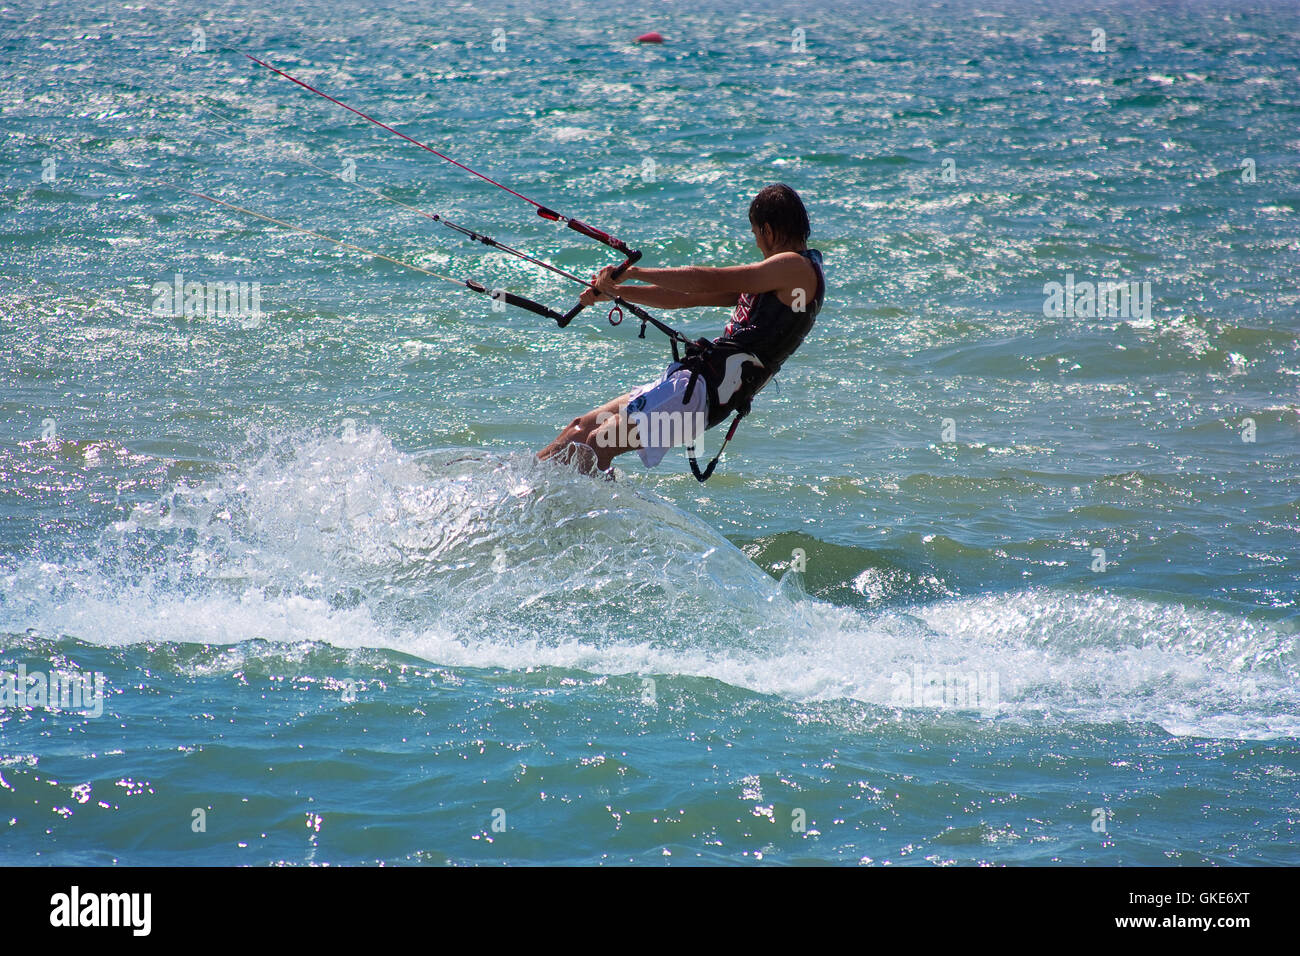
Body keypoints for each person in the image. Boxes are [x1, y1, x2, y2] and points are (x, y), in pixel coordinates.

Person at [536, 183, 825, 477]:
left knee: (600, 442)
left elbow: (706, 280)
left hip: (704, 397)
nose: (757, 245)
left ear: (769, 231)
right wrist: (616, 291)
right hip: (692, 382)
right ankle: (527, 482)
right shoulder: (774, 279)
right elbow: (683, 297)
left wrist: (635, 272)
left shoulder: (795, 267)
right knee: (581, 428)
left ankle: (567, 513)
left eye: (755, 235)